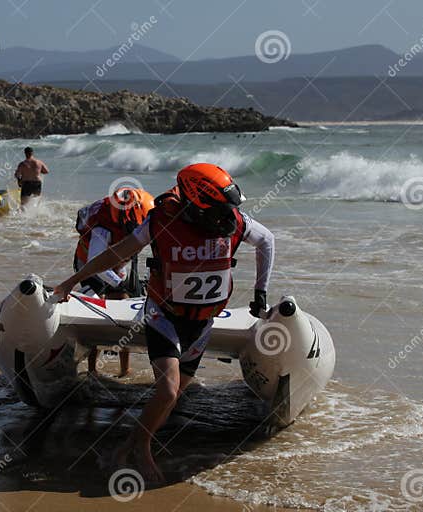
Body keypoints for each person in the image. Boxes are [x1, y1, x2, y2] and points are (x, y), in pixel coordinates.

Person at [54, 163, 274, 482]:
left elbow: (267, 240)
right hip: (163, 315)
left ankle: (125, 447)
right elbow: (118, 253)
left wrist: (260, 291)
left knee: (174, 394)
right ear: (198, 202)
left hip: (203, 322)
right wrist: (72, 281)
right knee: (168, 391)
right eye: (220, 207)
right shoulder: (160, 221)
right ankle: (143, 448)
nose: (227, 215)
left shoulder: (236, 222)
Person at [74, 187, 155, 377]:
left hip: (119, 263)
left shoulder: (140, 218)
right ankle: (92, 370)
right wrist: (117, 282)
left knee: (126, 309)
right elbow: (95, 263)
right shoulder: (103, 227)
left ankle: (125, 370)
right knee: (97, 311)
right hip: (89, 266)